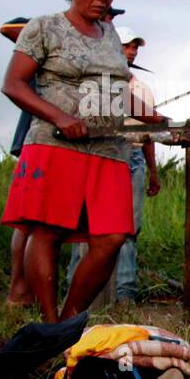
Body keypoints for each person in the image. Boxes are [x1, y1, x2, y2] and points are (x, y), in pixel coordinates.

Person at [0, 0, 164, 323]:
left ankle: (72, 316)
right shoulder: (44, 27)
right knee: (47, 231)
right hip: (56, 145)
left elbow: (118, 91)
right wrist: (60, 116)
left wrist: (155, 118)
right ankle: (50, 322)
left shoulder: (110, 36)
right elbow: (13, 83)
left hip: (109, 149)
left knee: (112, 237)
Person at [67, 25, 162, 302]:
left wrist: (153, 171)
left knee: (129, 228)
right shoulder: (97, 81)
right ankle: (76, 290)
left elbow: (148, 135)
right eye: (126, 46)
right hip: (102, 153)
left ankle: (125, 293)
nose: (131, 52)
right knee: (87, 227)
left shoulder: (142, 89)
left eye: (134, 47)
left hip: (132, 156)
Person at [0, 18, 36, 303]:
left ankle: (29, 287)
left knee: (43, 221)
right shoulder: (50, 38)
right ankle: (19, 289)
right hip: (37, 140)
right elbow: (9, 27)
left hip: (65, 144)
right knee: (29, 219)